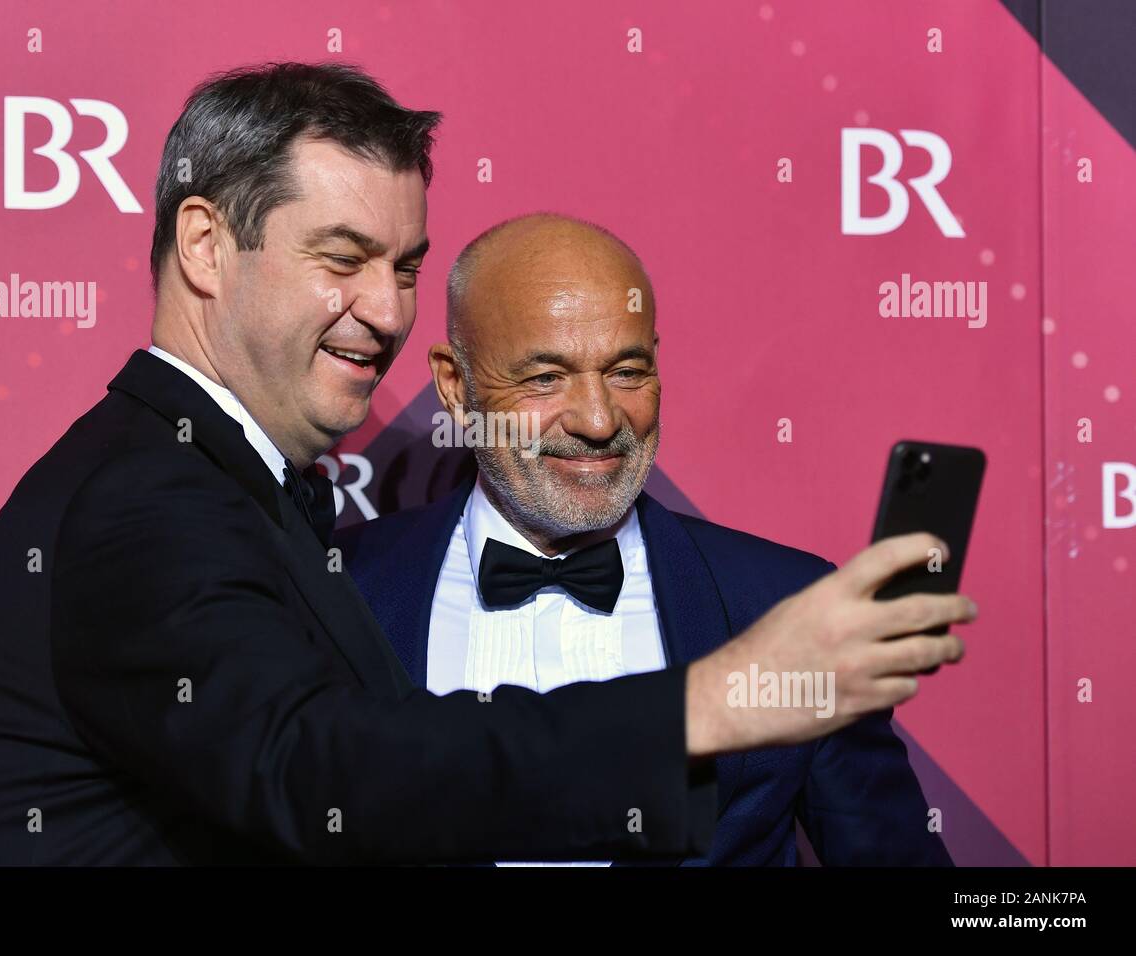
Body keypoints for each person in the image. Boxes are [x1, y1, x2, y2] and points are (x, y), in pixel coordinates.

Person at [0, 62, 974, 865]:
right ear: (205, 245)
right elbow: (320, 767)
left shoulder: (207, 489)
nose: (382, 310)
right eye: (341, 259)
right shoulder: (150, 495)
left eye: (404, 268)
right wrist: (709, 702)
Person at [336, 213, 954, 865]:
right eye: (546, 378)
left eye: (628, 372)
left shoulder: (784, 601)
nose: (601, 421)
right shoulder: (341, 589)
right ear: (456, 386)